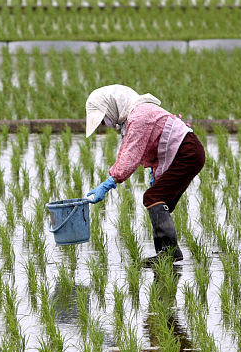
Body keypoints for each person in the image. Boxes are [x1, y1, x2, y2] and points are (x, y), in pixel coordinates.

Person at [83, 84, 205, 265]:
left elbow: (130, 156)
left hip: (187, 153)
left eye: (103, 119)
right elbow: (153, 148)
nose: (103, 124)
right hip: (184, 152)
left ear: (111, 107)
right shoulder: (134, 116)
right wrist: (155, 174)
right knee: (160, 200)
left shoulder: (139, 116)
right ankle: (167, 251)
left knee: (154, 197)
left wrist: (108, 183)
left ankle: (169, 252)